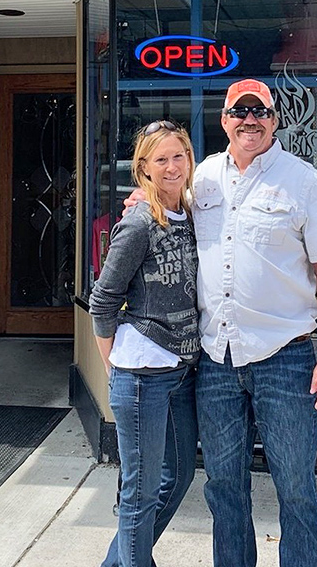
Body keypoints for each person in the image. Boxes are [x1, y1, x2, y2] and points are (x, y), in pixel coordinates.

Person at [125, 79, 317, 567]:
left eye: (260, 110)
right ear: (224, 119)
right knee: (224, 487)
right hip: (216, 360)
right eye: (239, 111)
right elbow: (165, 203)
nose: (250, 119)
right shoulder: (202, 177)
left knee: (295, 487)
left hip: (285, 358)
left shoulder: (305, 181)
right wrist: (142, 202)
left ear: (275, 118)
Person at [89, 121, 200, 567]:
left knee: (179, 475)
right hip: (141, 375)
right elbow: (103, 301)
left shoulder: (190, 215)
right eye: (161, 159)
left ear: (190, 160)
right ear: (144, 168)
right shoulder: (137, 223)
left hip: (182, 369)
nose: (172, 167)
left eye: (179, 156)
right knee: (140, 491)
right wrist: (113, 366)